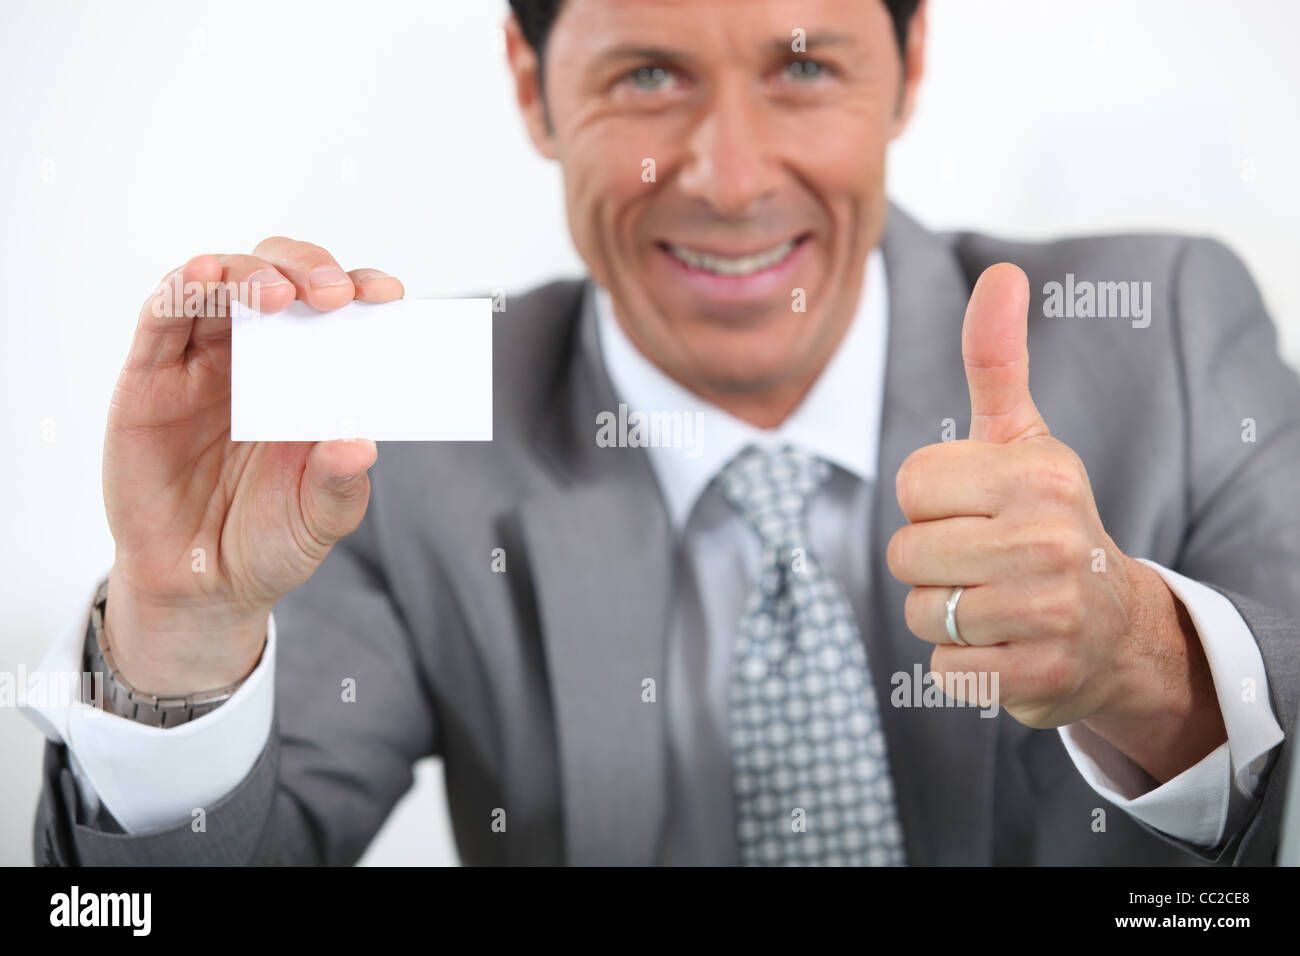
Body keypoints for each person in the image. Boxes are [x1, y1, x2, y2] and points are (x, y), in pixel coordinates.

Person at [26, 0, 1299, 866]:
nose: (730, 178)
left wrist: (1145, 660)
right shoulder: (387, 438)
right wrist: (180, 628)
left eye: (803, 65)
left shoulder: (1169, 336)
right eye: (647, 74)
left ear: (910, 69)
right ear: (534, 90)